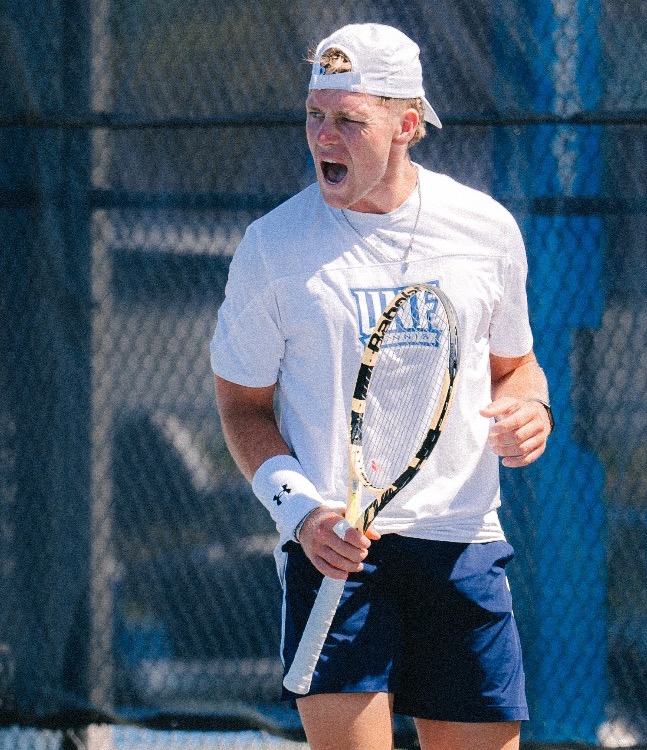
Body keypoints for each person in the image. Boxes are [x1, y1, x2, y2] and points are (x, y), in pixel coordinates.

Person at [210, 22, 553, 750]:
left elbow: (514, 366)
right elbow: (241, 408)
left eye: (347, 120)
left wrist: (532, 407)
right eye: (314, 116)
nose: (322, 137)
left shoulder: (484, 230)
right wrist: (301, 513)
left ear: (405, 125)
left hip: (460, 547)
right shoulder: (272, 247)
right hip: (337, 554)